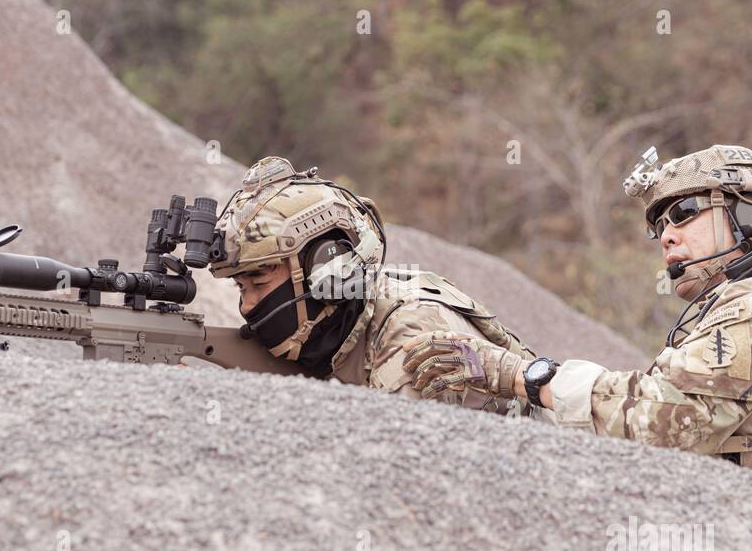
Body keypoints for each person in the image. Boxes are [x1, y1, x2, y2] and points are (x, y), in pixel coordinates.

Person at [402, 144, 752, 511]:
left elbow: (664, 419)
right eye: (659, 225)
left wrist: (525, 377)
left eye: (685, 211)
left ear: (751, 213)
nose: (667, 236)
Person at [209, 156, 534, 415]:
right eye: (240, 288)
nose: (248, 306)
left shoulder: (411, 339)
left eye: (260, 281)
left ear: (328, 273)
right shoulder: (322, 337)